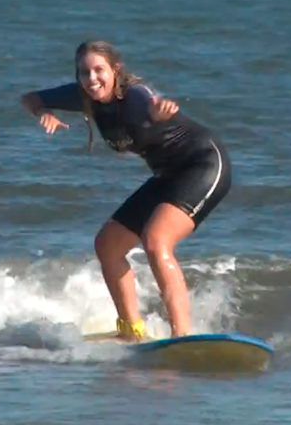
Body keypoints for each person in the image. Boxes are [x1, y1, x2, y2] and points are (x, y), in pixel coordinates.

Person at [20, 40, 231, 341]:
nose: (92, 79)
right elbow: (28, 98)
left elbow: (152, 103)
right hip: (168, 174)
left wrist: (159, 111)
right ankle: (132, 330)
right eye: (84, 72)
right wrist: (43, 112)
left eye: (99, 70)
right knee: (108, 245)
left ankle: (181, 335)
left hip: (203, 163)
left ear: (115, 70)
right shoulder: (84, 96)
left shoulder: (134, 96)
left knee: (157, 241)